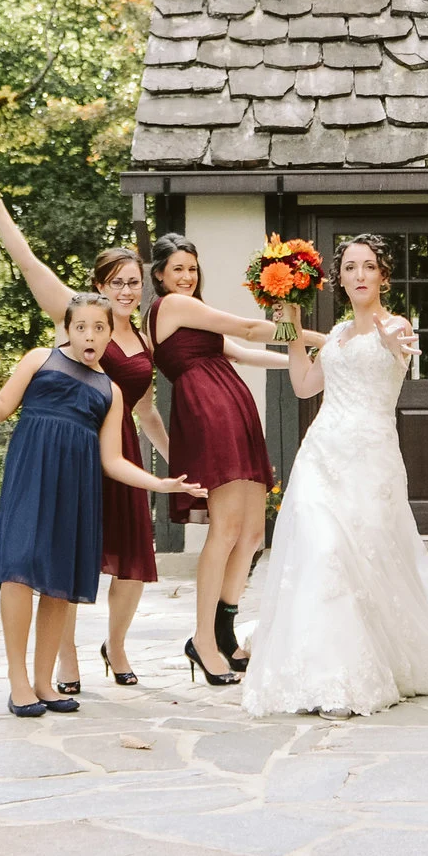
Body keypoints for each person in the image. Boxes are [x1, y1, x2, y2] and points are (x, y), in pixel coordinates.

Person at [240, 234, 428, 718]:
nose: (359, 275)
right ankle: (325, 671)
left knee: (361, 556)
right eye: (349, 268)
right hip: (321, 455)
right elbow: (304, 386)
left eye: (368, 267)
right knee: (322, 552)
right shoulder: (339, 333)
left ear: (383, 276)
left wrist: (389, 341)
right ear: (339, 280)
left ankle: (365, 667)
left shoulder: (398, 326)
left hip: (370, 458)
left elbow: (400, 349)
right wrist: (293, 327)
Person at [0, 294, 206, 716]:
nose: (89, 335)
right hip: (30, 477)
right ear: (67, 329)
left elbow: (112, 461)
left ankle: (43, 682)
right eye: (81, 327)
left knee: (59, 585)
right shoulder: (40, 359)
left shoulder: (109, 390)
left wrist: (160, 484)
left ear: (110, 335)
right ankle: (19, 682)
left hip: (76, 488)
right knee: (18, 572)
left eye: (99, 328)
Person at [0, 174, 167, 691]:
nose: (127, 290)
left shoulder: (144, 335)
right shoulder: (74, 319)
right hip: (54, 453)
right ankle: (63, 663)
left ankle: (113, 647)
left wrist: (173, 466)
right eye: (118, 281)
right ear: (98, 289)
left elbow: (146, 411)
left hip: (110, 447)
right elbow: (28, 262)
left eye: (135, 281)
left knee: (120, 559)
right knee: (49, 555)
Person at [147, 232, 307, 685]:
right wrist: (323, 332)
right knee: (227, 529)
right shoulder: (171, 307)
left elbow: (248, 352)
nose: (186, 276)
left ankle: (223, 630)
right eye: (177, 268)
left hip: (233, 411)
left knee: (253, 533)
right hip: (208, 415)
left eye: (192, 269)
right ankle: (201, 639)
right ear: (159, 275)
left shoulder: (197, 318)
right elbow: (251, 328)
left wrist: (317, 351)